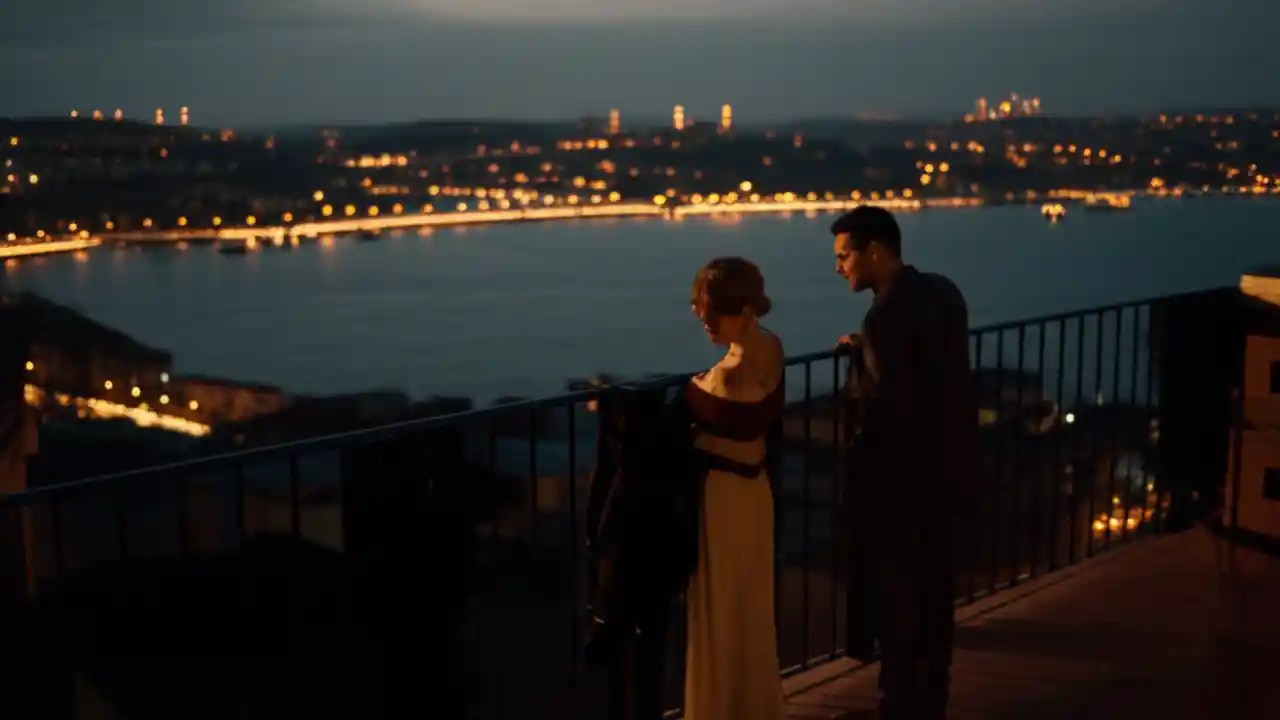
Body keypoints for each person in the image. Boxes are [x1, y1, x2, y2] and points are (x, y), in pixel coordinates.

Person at [830, 207, 977, 720]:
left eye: (844, 256)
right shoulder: (943, 292)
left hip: (898, 483)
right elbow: (932, 369)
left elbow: (889, 402)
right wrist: (864, 350)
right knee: (933, 599)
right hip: (945, 472)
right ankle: (931, 701)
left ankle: (899, 706)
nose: (839, 267)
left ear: (874, 251)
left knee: (897, 602)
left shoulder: (884, 317)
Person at [683, 257, 785, 720]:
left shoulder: (726, 376)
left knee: (719, 610)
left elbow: (704, 400)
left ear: (745, 310)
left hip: (721, 498)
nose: (702, 317)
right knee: (750, 607)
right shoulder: (772, 348)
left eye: (712, 310)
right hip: (756, 489)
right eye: (699, 306)